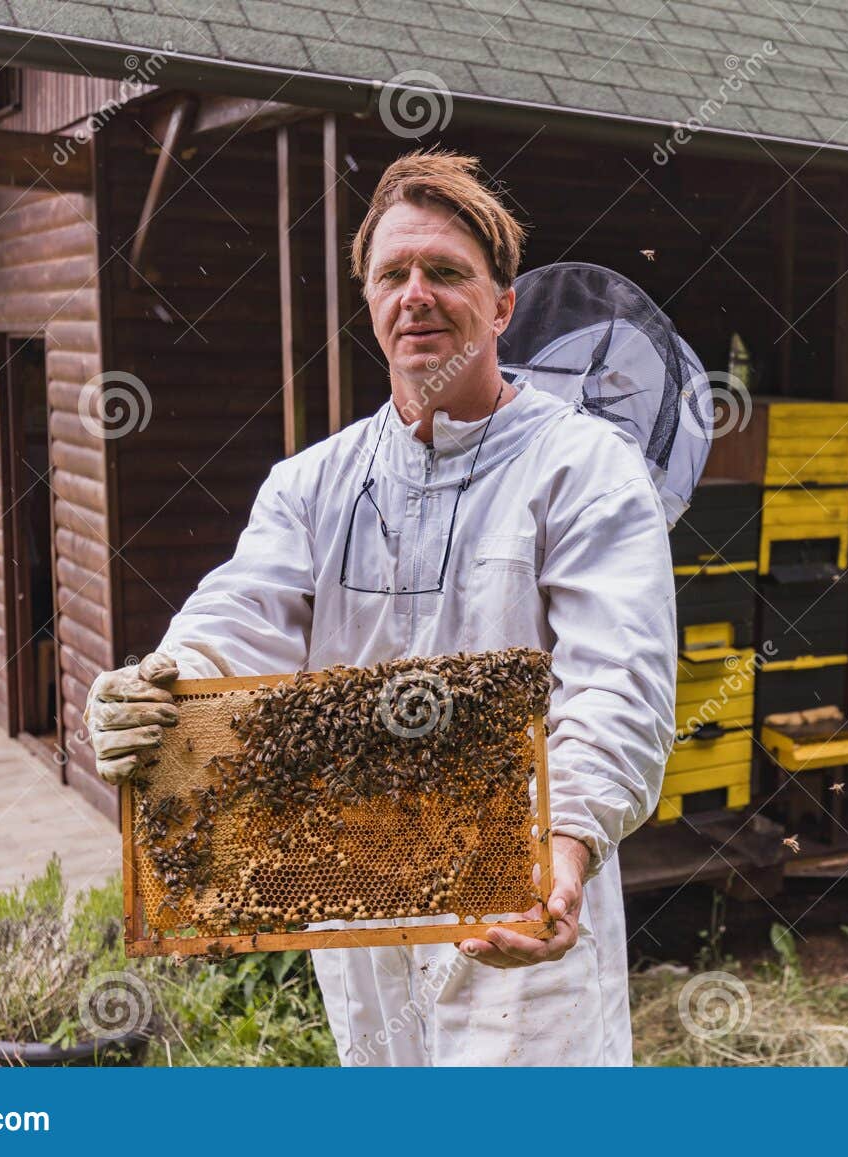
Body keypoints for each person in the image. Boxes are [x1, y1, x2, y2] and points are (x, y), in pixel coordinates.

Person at [84, 151, 677, 1066]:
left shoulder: (586, 470)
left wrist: (563, 850)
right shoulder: (310, 485)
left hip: (524, 916)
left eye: (446, 272)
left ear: (503, 305)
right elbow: (241, 617)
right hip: (358, 918)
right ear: (368, 302)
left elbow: (620, 683)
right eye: (393, 274)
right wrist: (166, 682)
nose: (418, 295)